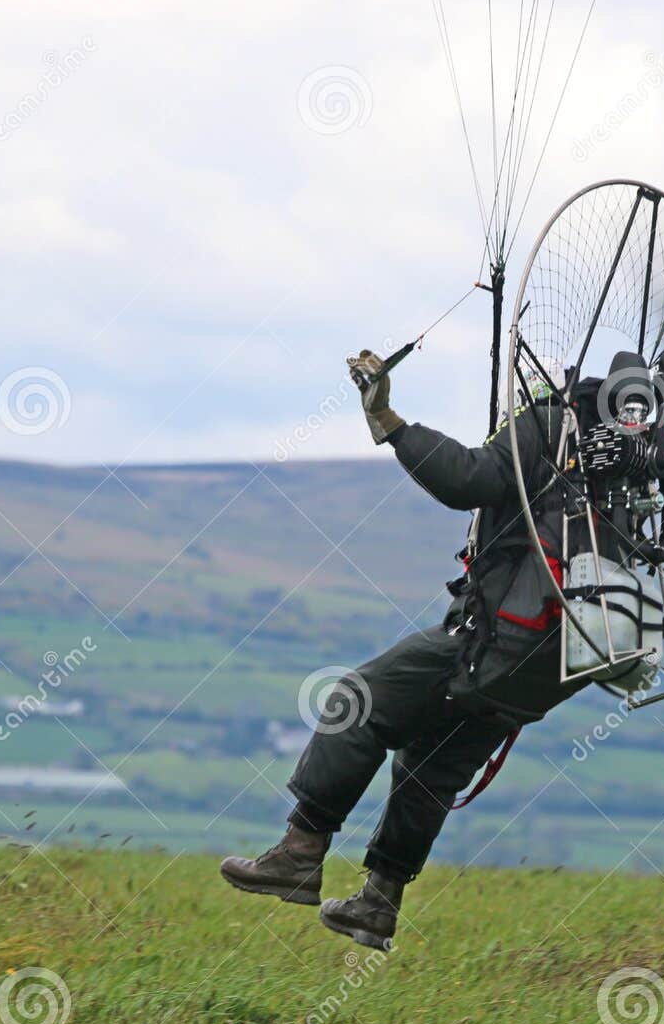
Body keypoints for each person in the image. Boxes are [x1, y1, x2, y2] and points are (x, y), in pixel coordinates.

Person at [222, 349, 585, 950]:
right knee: (432, 761)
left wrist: (389, 420)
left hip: (491, 640)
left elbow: (469, 479)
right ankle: (377, 903)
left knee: (357, 700)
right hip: (552, 666)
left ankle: (300, 851)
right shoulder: (638, 470)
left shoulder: (551, 424)